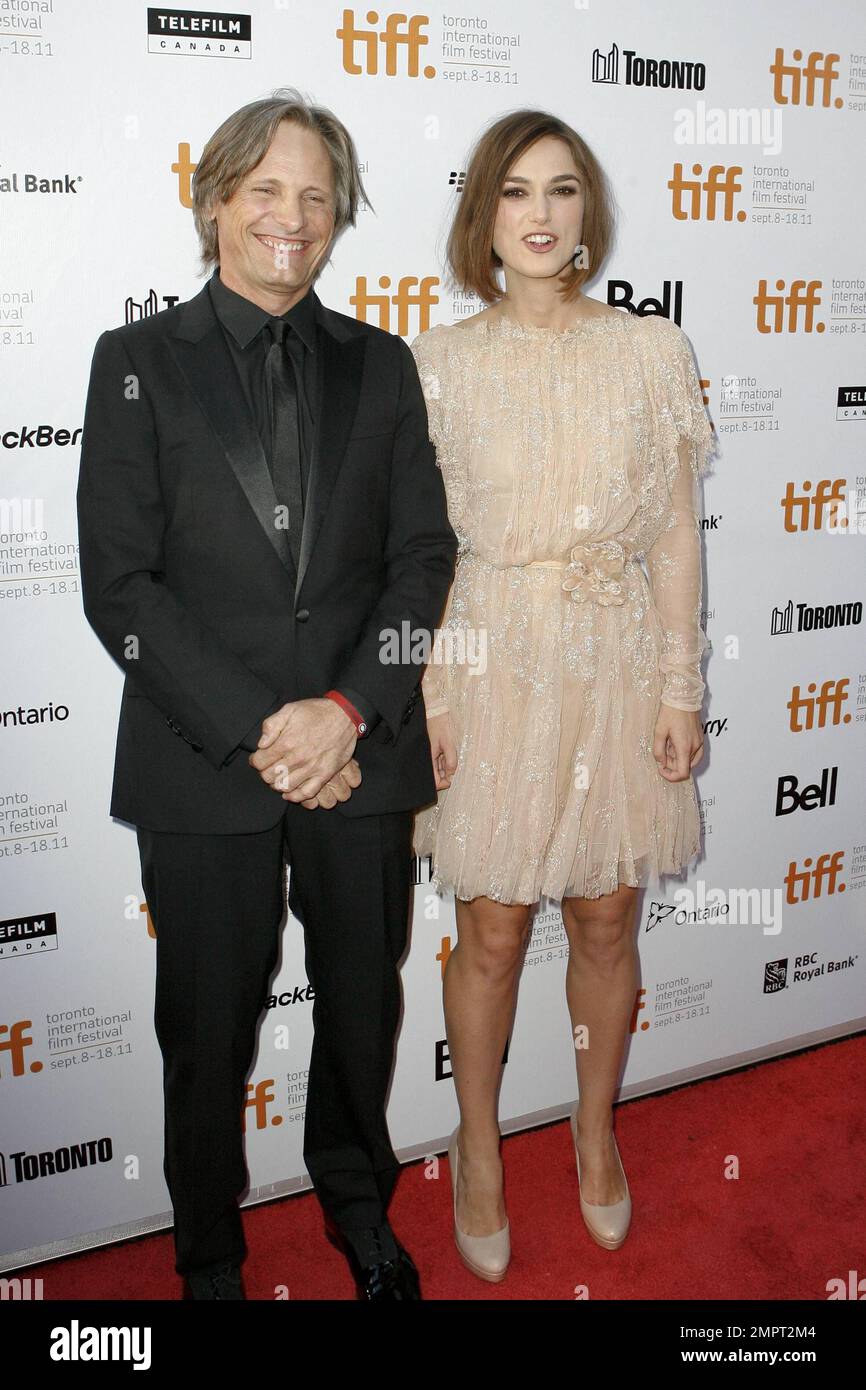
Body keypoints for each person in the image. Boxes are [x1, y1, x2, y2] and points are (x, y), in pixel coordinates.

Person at [76, 88, 456, 1300]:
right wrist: (263, 728)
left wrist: (344, 711)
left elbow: (422, 559)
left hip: (360, 755)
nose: (291, 218)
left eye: (316, 196)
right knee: (205, 1033)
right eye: (265, 191)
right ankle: (207, 1255)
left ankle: (357, 1203)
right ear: (213, 202)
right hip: (203, 765)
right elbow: (122, 586)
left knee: (359, 1007)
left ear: (338, 216)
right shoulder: (135, 364)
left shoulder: (381, 363)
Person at [409, 109, 717, 1282]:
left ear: (586, 212)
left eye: (562, 191)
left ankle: (592, 1130)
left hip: (614, 657)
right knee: (488, 928)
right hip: (489, 658)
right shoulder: (437, 364)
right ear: (482, 215)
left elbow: (676, 538)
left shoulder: (650, 353)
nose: (540, 215)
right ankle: (477, 1146)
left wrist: (679, 686)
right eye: (515, 193)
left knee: (604, 916)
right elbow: (416, 554)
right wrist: (431, 696)